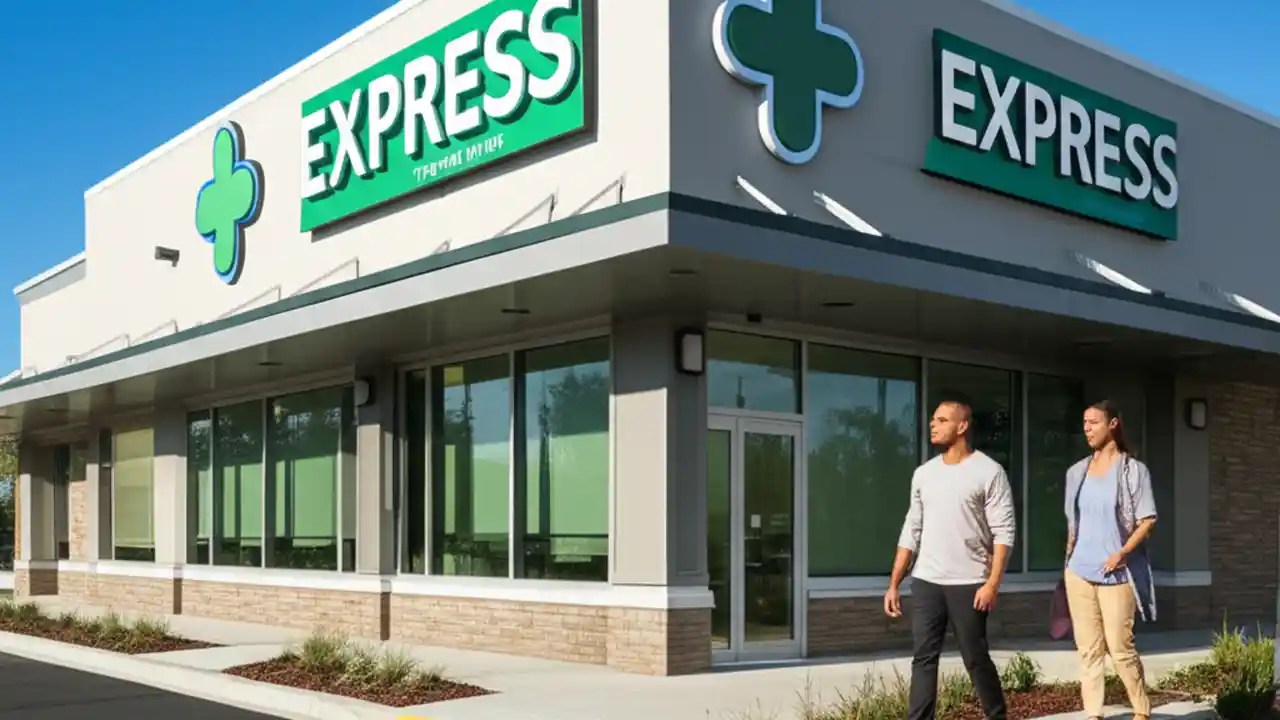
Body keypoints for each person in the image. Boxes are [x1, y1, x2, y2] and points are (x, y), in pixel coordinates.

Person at [885, 399, 1015, 720]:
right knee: (923, 659)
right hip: (927, 581)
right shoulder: (924, 474)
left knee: (975, 658)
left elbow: (1004, 533)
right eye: (933, 419)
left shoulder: (989, 472)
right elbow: (911, 529)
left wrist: (992, 584)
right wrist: (894, 584)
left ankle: (997, 716)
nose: (933, 425)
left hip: (969, 583)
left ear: (962, 426)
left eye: (942, 420)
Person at [1063, 400, 1157, 720]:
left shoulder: (1133, 471)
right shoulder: (1076, 473)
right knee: (1088, 650)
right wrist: (1068, 563)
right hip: (1079, 572)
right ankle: (1093, 714)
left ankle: (1141, 710)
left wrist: (1122, 552)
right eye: (1084, 423)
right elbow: (1074, 524)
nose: (1087, 429)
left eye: (1093, 422)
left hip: (1117, 573)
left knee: (1120, 647)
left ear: (1112, 424)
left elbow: (1147, 520)